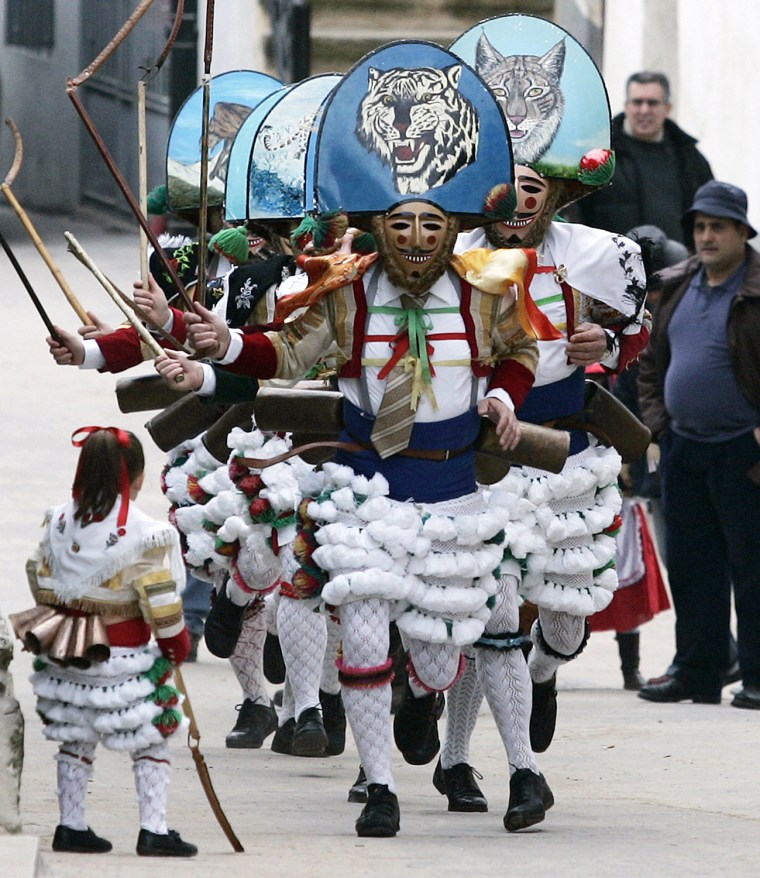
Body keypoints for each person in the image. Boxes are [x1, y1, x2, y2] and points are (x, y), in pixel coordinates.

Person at [155, 40, 557, 837]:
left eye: (429, 225)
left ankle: (524, 772)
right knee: (365, 626)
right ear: (380, 224)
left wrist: (507, 400)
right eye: (399, 224)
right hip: (373, 490)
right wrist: (220, 346)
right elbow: (283, 354)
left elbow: (519, 353)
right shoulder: (342, 296)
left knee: (501, 617)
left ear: (451, 229)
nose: (413, 239)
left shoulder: (486, 290)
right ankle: (378, 785)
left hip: (461, 490)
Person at [15, 427, 197, 856]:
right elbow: (161, 600)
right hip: (124, 654)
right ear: (133, 476)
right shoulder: (145, 531)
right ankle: (153, 828)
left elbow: (36, 576)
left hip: (70, 651)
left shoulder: (59, 519)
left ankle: (71, 825)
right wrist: (176, 646)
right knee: (151, 739)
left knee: (76, 737)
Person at [637, 180, 760, 708]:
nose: (706, 237)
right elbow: (648, 360)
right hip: (684, 447)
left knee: (752, 568)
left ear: (741, 233)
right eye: (700, 227)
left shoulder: (756, 289)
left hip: (744, 451)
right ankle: (698, 672)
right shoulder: (679, 283)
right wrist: (659, 424)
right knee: (692, 567)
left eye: (717, 227)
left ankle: (757, 677)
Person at [570, 71, 713, 245]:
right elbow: (575, 212)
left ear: (667, 108)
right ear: (626, 105)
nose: (644, 110)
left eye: (652, 103)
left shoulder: (688, 158)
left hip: (675, 267)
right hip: (609, 264)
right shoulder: (597, 155)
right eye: (637, 102)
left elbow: (708, 212)